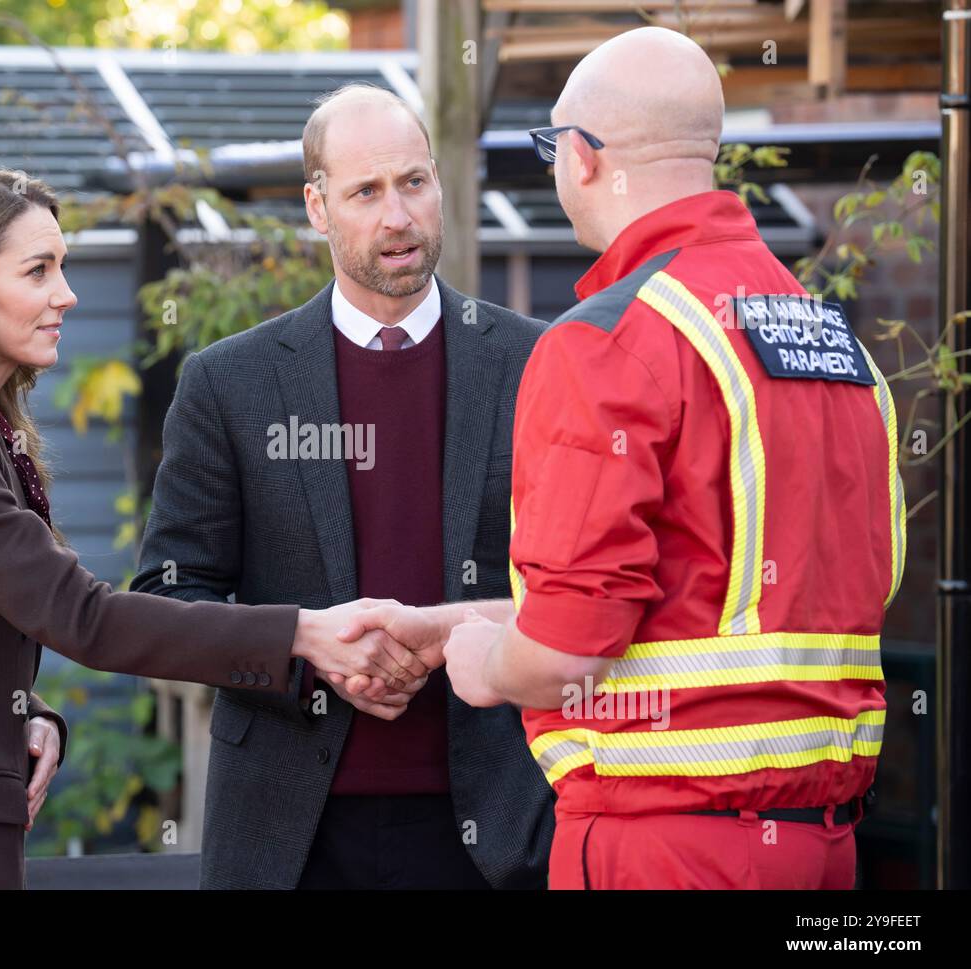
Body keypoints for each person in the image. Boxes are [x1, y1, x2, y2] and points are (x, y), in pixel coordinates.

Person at [340, 26, 906, 889]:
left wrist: (486, 666)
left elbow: (570, 650)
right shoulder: (831, 339)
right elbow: (703, 600)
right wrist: (459, 623)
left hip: (665, 840)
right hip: (823, 846)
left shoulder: (608, 340)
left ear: (583, 157)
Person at [0, 165, 430, 889]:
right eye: (38, 271)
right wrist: (301, 634)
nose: (66, 294)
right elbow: (83, 617)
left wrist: (27, 712)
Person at [132, 85, 554, 890]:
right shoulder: (231, 384)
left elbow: (578, 584)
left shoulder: (538, 364)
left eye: (414, 182)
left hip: (499, 831)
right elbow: (170, 595)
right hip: (292, 839)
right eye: (366, 192)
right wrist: (307, 647)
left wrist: (449, 632)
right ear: (318, 207)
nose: (397, 216)